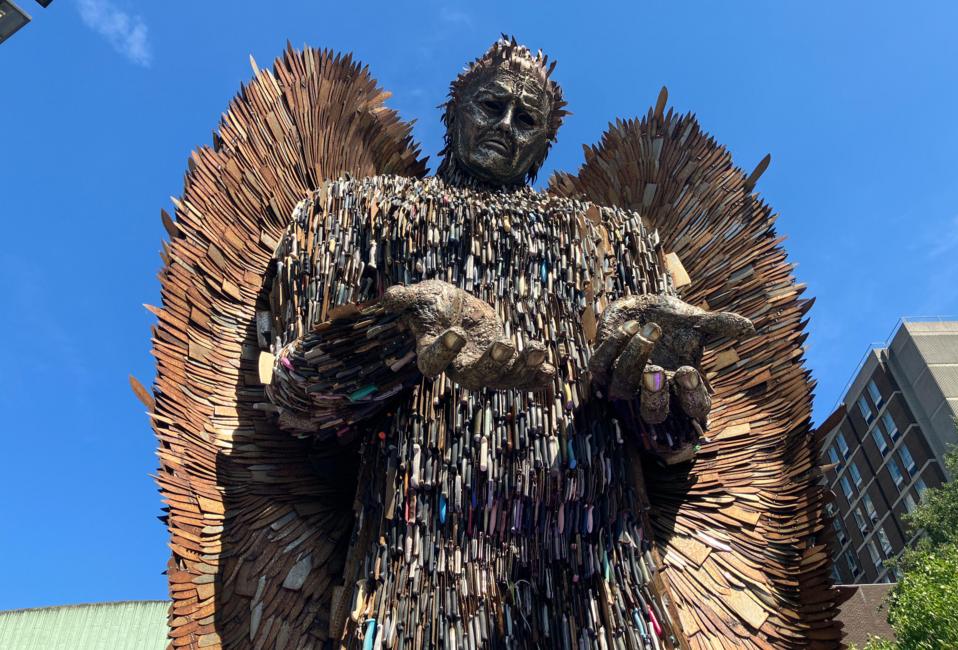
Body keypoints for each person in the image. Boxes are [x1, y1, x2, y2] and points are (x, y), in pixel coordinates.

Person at [259, 37, 751, 649]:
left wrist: (658, 390)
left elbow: (675, 445)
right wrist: (399, 330)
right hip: (417, 580)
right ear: (454, 110)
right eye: (491, 106)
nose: (506, 127)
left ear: (545, 144)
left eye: (527, 121)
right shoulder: (358, 212)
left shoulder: (618, 241)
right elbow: (294, 396)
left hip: (600, 587)